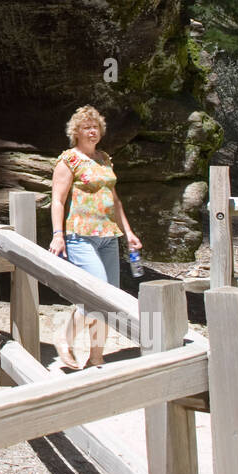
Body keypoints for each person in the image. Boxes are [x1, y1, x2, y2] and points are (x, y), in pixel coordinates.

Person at [47, 105, 142, 367]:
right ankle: (64, 338)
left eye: (96, 127)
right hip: (80, 235)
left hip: (108, 237)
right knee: (96, 293)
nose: (92, 131)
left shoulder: (104, 159)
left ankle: (96, 356)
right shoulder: (69, 159)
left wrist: (128, 233)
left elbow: (115, 199)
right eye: (87, 127)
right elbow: (57, 200)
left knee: (108, 299)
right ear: (76, 131)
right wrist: (58, 235)